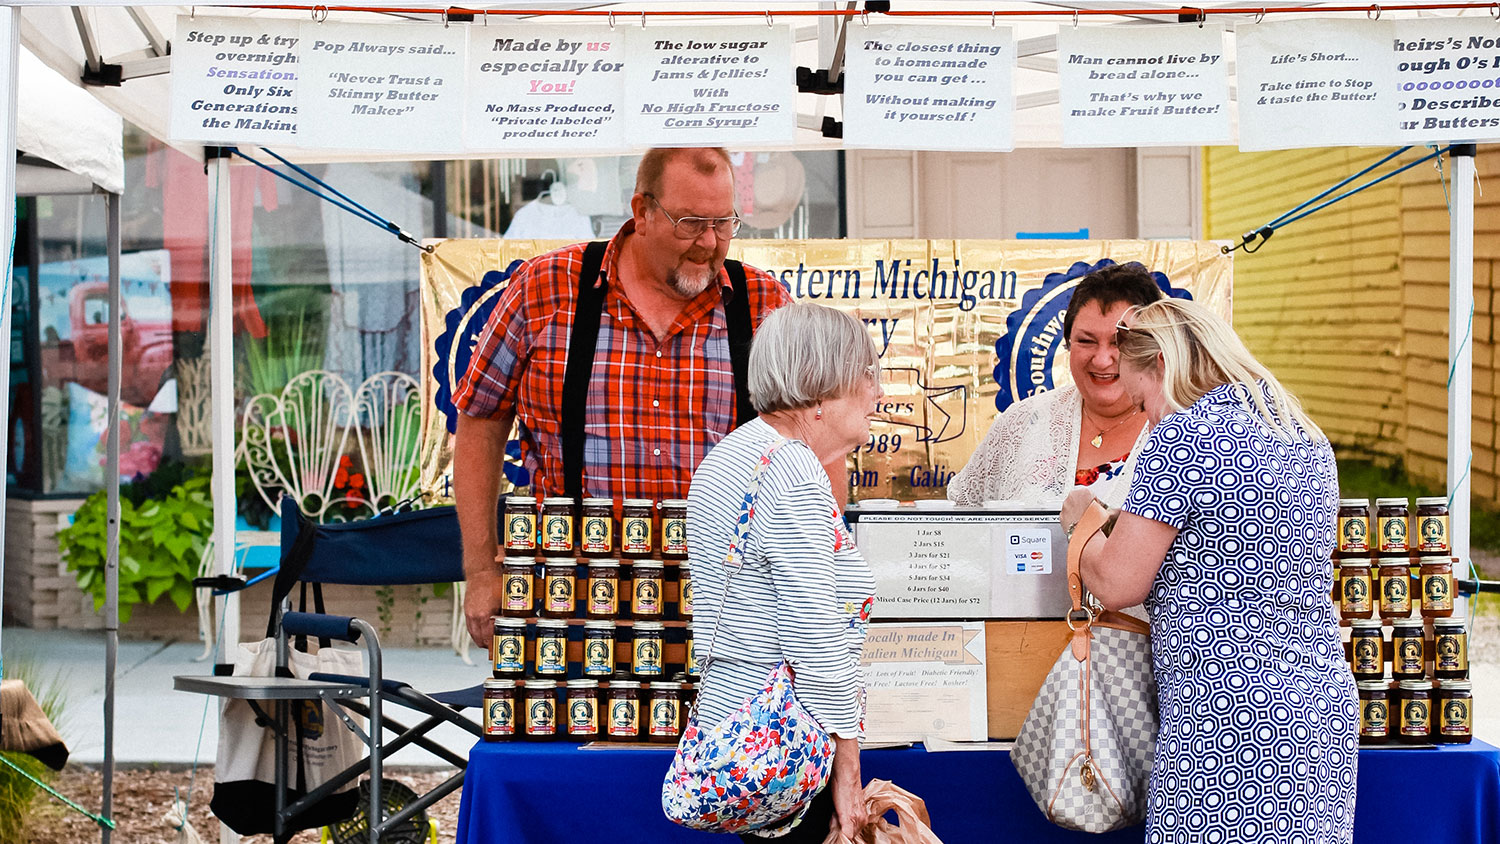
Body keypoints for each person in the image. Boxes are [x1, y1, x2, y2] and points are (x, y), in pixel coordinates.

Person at [451, 147, 795, 647]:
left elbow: (815, 445)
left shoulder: (763, 304)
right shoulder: (547, 288)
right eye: (690, 223)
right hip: (570, 600)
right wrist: (482, 571)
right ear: (642, 211)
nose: (708, 242)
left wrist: (812, 588)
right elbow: (481, 421)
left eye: (723, 223)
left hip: (725, 604)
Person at [1060, 298, 1357, 842]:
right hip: (1320, 708)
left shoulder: (1183, 436)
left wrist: (1083, 523)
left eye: (1142, 399)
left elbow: (1119, 583)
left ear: (1163, 365)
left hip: (1226, 718)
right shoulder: (1301, 431)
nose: (1147, 417)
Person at [685, 303, 880, 842]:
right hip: (788, 742)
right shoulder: (791, 469)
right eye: (867, 374)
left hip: (738, 736)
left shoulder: (732, 455)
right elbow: (813, 633)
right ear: (821, 387)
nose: (877, 393)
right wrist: (848, 768)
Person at [948, 262, 1167, 510]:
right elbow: (960, 514)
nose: (1102, 360)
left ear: (1153, 347)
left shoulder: (1183, 434)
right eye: (1086, 341)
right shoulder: (1020, 423)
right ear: (1068, 343)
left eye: (1119, 342)